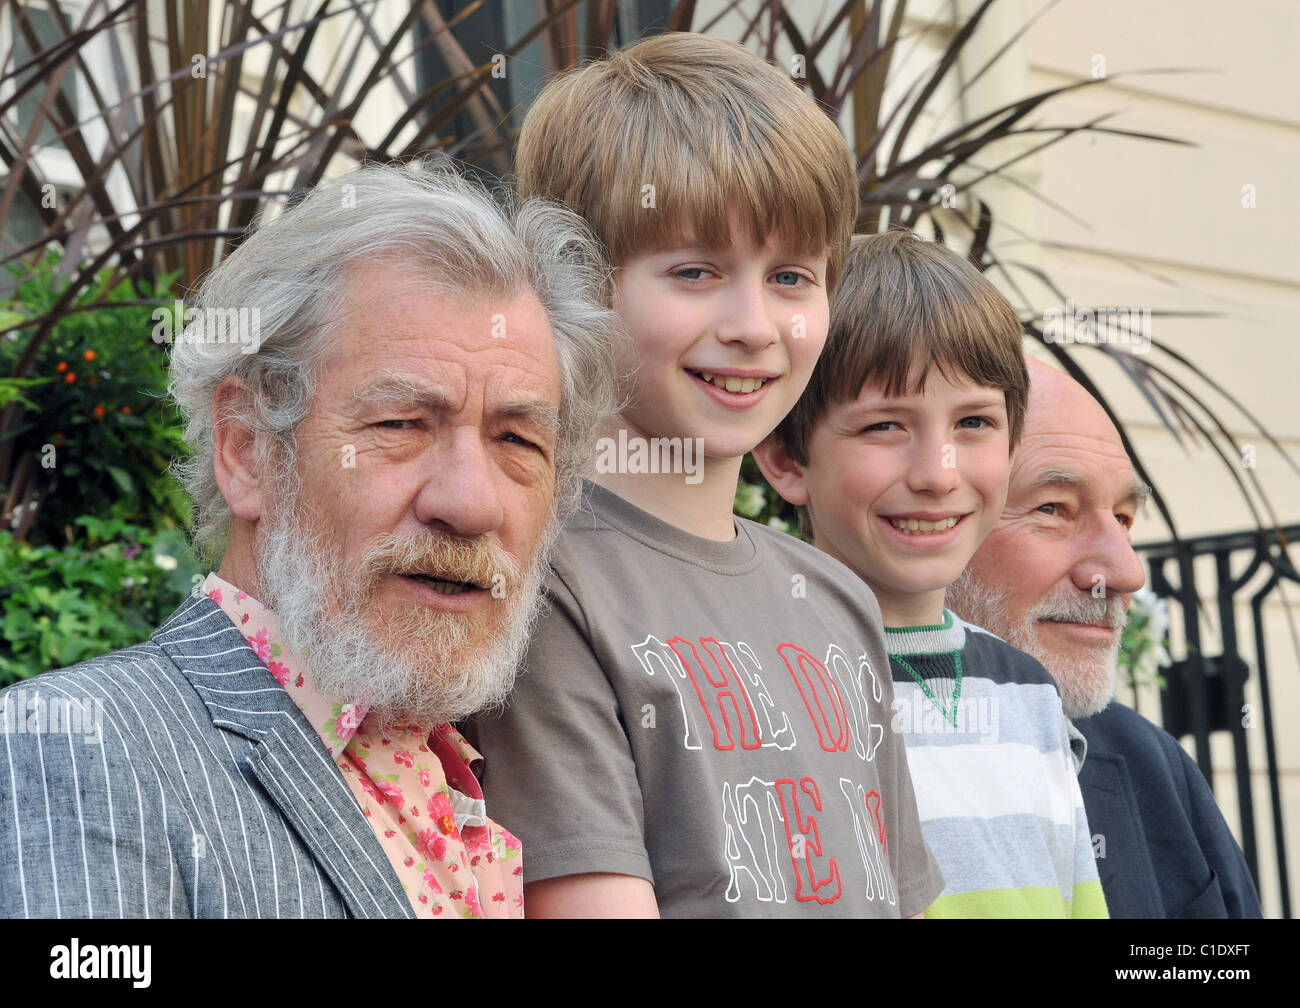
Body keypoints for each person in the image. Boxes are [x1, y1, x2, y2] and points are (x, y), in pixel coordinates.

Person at [0, 162, 621, 919]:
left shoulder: (489, 788)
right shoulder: (76, 750)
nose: (470, 502)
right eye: (400, 424)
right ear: (247, 448)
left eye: (518, 440)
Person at [470, 33, 943, 918]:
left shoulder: (837, 599)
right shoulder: (541, 584)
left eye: (793, 276)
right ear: (577, 281)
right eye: (696, 271)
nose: (755, 325)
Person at [754, 231, 1106, 917]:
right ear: (786, 458)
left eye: (974, 421)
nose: (937, 474)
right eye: (886, 427)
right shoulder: (768, 688)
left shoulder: (1028, 689)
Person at [947, 357, 1263, 918]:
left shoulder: (1149, 765)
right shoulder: (804, 759)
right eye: (1053, 509)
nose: (1125, 572)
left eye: (1123, 517)